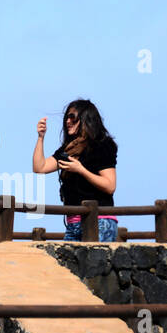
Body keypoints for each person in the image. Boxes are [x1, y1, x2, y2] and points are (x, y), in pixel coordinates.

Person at [32, 99, 118, 241]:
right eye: (67, 117)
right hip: (73, 222)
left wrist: (81, 170)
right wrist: (41, 137)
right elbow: (39, 167)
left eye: (72, 117)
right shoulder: (69, 149)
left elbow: (110, 186)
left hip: (99, 221)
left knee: (95, 263)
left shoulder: (102, 145)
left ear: (86, 119)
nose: (67, 121)